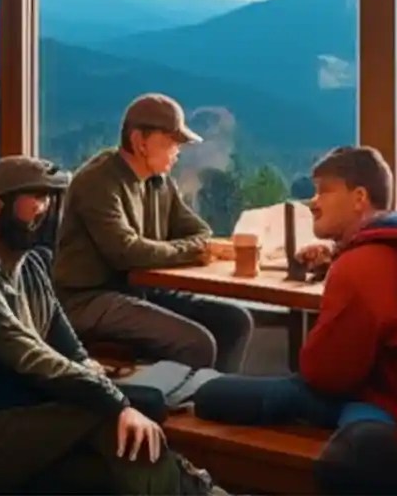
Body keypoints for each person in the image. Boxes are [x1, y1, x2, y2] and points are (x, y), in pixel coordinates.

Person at [0, 156, 219, 494]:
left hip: (15, 419)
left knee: (114, 463)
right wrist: (117, 403)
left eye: (49, 199)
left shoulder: (31, 267)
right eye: (35, 198)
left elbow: (70, 349)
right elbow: (29, 356)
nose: (44, 209)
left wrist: (107, 387)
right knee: (104, 414)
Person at [192, 146, 397, 494]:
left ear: (359, 197)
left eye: (324, 191)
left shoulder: (360, 267)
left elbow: (324, 374)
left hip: (391, 403)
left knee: (217, 395)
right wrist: (335, 256)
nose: (313, 202)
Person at [53, 93, 252, 372]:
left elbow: (199, 231)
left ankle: (215, 401)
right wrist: (194, 250)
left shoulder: (159, 181)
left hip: (138, 291)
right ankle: (173, 408)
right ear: (139, 142)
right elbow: (127, 253)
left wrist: (188, 248)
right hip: (87, 300)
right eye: (170, 142)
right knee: (196, 343)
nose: (177, 151)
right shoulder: (97, 181)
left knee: (234, 321)